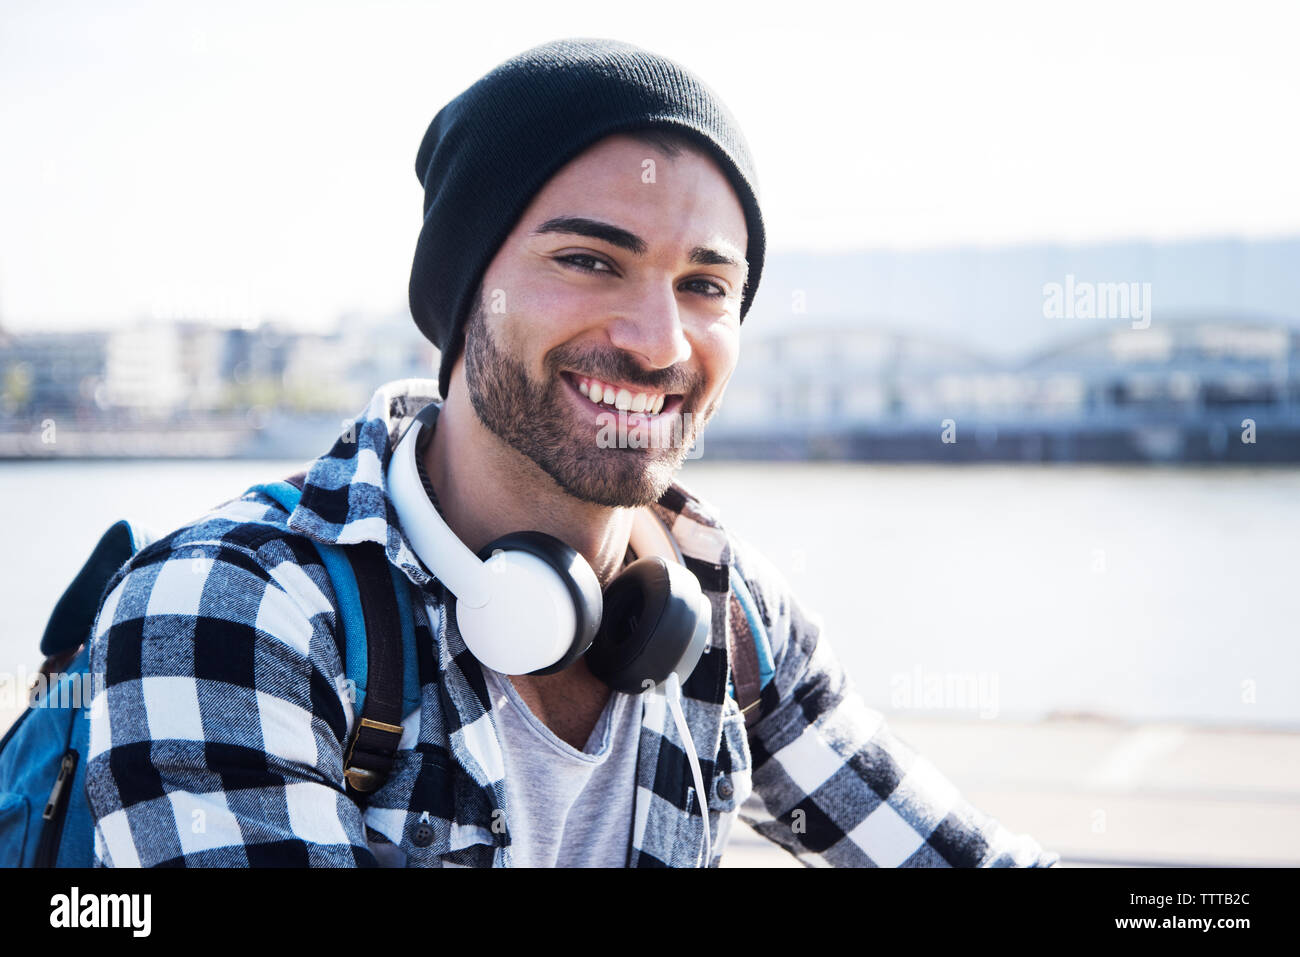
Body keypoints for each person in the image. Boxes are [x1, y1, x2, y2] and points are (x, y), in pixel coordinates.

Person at [85, 37, 1059, 868]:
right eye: (590, 261)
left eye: (706, 286)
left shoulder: (729, 615)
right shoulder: (230, 612)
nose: (658, 341)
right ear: (463, 294)